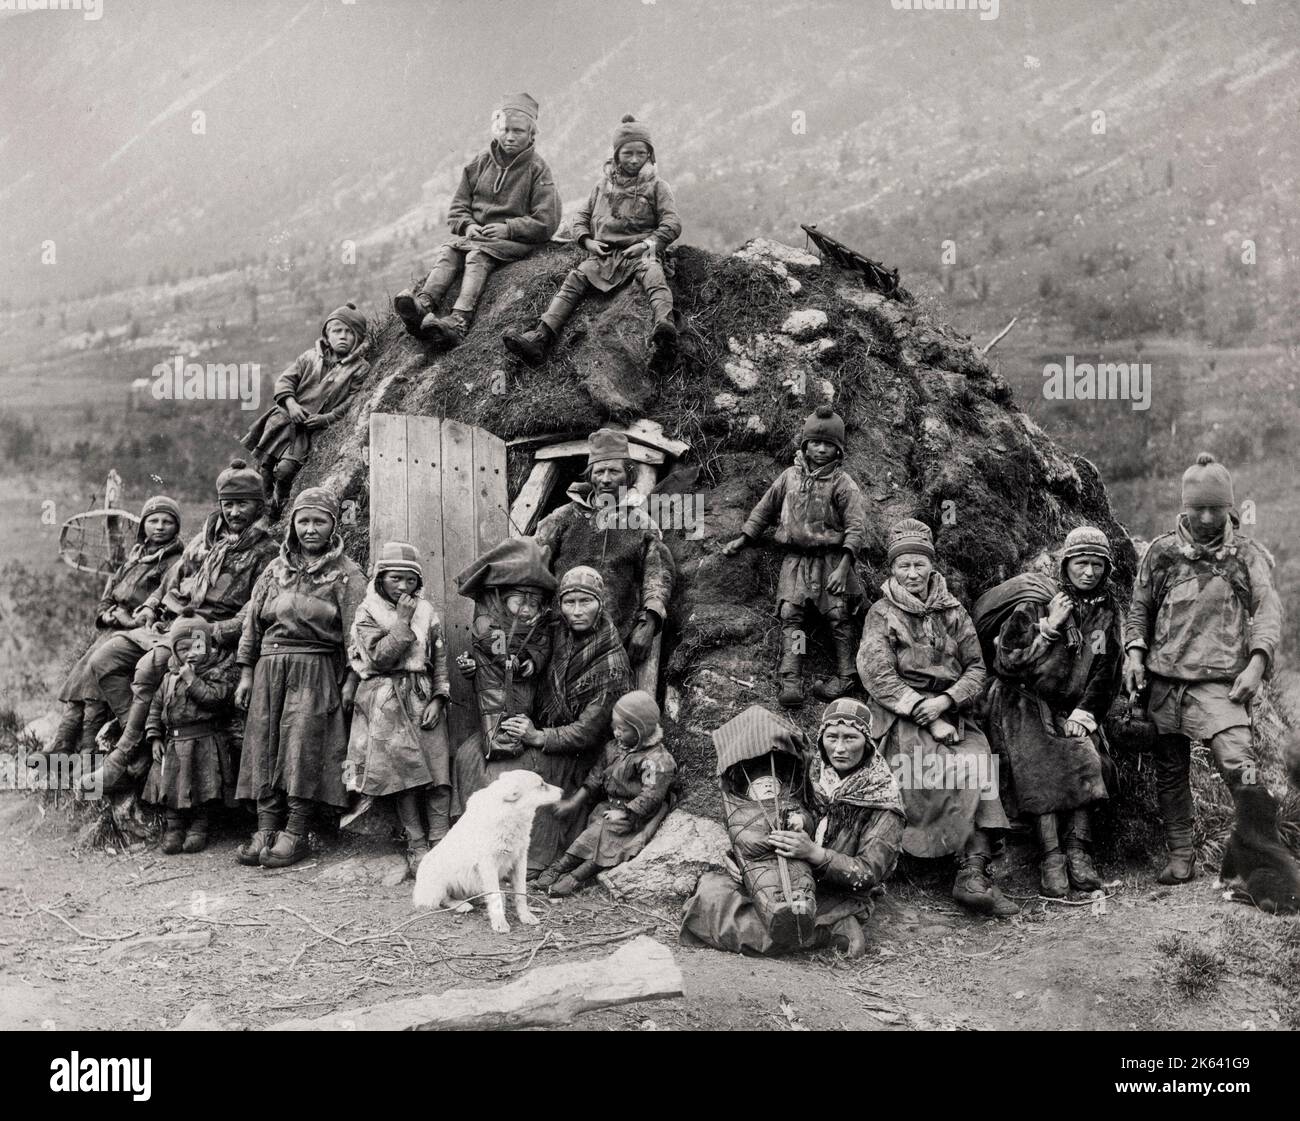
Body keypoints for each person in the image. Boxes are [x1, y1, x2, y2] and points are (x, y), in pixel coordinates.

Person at [1123, 453, 1283, 885]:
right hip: (1165, 681)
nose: (1208, 517)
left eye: (1217, 507)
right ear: (1185, 507)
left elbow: (1267, 611)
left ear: (1230, 506)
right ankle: (1181, 854)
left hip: (1220, 683)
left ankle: (1262, 853)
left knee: (1239, 763)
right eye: (1199, 508)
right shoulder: (1161, 553)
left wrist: (1257, 663)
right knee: (1170, 770)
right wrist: (1134, 653)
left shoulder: (1246, 555)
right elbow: (1139, 609)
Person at [81, 461, 277, 794]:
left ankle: (120, 758)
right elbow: (172, 581)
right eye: (227, 504)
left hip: (210, 632)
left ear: (258, 506)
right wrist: (150, 607)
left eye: (242, 503)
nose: (234, 512)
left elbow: (254, 608)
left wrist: (218, 631)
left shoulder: (265, 552)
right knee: (103, 660)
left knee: (147, 668)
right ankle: (141, 740)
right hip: (172, 620)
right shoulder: (203, 543)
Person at [856, 518, 1016, 917]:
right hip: (900, 713)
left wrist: (946, 701)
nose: (912, 573)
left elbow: (977, 668)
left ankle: (973, 872)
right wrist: (924, 713)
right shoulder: (881, 613)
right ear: (892, 569)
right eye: (903, 566)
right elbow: (877, 674)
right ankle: (904, 860)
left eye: (919, 565)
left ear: (932, 566)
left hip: (949, 708)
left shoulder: (953, 611)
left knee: (978, 759)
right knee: (923, 765)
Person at [680, 699, 905, 958]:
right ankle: (811, 931)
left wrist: (813, 854)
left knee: (777, 923)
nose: (839, 748)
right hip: (786, 873)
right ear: (822, 739)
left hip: (838, 893)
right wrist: (742, 859)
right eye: (832, 737)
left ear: (867, 742)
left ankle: (833, 933)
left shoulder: (883, 799)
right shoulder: (811, 775)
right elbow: (772, 822)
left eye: (851, 738)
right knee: (709, 892)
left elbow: (867, 874)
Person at [452, 565, 632, 873]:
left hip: (576, 754)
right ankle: (477, 849)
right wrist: (478, 667)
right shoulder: (555, 630)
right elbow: (510, 652)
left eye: (585, 602)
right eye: (569, 602)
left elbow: (589, 732)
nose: (576, 611)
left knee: (506, 773)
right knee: (470, 753)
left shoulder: (610, 662)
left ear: (601, 604)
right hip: (539, 726)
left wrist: (538, 737)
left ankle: (523, 858)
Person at [980, 526, 1122, 896]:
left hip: (1069, 708)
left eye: (1096, 565)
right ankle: (1051, 856)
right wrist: (1050, 629)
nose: (1088, 572)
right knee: (1037, 761)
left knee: (1086, 757)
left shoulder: (1105, 611)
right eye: (1081, 564)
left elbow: (1106, 668)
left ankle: (1079, 852)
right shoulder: (1037, 602)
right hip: (1019, 702)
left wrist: (1085, 714)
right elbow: (1007, 663)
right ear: (1066, 565)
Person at [234, 487, 365, 868]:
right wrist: (245, 674)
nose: (310, 529)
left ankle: (296, 831)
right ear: (292, 525)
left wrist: (352, 680)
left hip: (315, 668)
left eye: (319, 521)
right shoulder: (274, 570)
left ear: (333, 525)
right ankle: (266, 828)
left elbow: (357, 632)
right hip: (269, 668)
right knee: (264, 741)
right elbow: (251, 627)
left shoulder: (346, 574)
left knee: (301, 745)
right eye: (303, 521)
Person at [503, 114, 681, 366]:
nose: (633, 160)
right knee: (575, 279)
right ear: (616, 154)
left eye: (640, 153)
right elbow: (581, 218)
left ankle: (664, 328)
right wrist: (587, 241)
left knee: (654, 275)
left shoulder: (657, 187)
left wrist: (645, 245)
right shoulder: (602, 186)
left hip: (641, 253)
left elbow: (672, 224)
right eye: (627, 153)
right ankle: (540, 337)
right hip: (602, 256)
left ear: (649, 155)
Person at [722, 405, 867, 707]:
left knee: (838, 615)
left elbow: (855, 527)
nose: (822, 449)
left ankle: (846, 674)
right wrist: (744, 537)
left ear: (838, 450)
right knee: (791, 615)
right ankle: (791, 677)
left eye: (829, 445)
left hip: (830, 560)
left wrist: (843, 569)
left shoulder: (843, 484)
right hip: (796, 561)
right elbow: (765, 508)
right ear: (805, 445)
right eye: (816, 443)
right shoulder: (788, 477)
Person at [393, 93, 560, 349]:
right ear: (496, 130)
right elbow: (458, 206)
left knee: (476, 256)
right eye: (504, 129)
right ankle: (423, 305)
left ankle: (459, 319)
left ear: (531, 134)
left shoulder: (537, 169)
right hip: (477, 236)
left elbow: (546, 221)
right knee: (450, 250)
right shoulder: (481, 162)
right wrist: (468, 225)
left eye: (518, 131)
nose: (510, 136)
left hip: (513, 241)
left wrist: (508, 228)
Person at [346, 542, 453, 875]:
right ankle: (416, 843)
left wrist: (438, 698)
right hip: (385, 699)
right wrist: (402, 621)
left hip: (421, 695)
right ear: (380, 577)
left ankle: (442, 840)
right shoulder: (368, 612)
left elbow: (440, 659)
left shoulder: (427, 611)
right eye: (395, 579)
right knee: (401, 776)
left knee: (437, 769)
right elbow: (380, 657)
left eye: (409, 580)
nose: (403, 587)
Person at [50, 495, 183, 757]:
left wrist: (128, 618)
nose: (159, 526)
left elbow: (159, 601)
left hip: (135, 633)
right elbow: (107, 598)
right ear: (143, 524)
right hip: (113, 629)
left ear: (176, 527)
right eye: (153, 520)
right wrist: (110, 615)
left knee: (92, 683)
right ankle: (60, 747)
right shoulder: (135, 558)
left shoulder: (174, 563)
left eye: (167, 521)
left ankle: (88, 752)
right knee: (81, 685)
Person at [532, 428, 674, 664]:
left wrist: (650, 621)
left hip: (614, 638)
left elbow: (657, 577)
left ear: (628, 476)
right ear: (590, 476)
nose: (606, 479)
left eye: (614, 471)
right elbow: (533, 564)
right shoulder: (563, 517)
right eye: (600, 471)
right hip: (559, 636)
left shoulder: (641, 524)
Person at [538, 689, 676, 896]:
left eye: (623, 730)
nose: (617, 733)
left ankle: (574, 878)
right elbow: (596, 777)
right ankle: (559, 867)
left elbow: (652, 795)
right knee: (590, 835)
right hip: (609, 808)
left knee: (607, 842)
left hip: (635, 816)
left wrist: (626, 813)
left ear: (641, 731)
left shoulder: (656, 760)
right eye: (615, 727)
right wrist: (574, 802)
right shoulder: (613, 748)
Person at [241, 302, 371, 518]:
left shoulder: (359, 368)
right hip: (283, 420)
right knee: (264, 466)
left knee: (285, 471)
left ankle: (279, 507)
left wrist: (326, 418)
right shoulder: (309, 357)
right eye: (337, 331)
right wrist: (291, 404)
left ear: (358, 337)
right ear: (327, 334)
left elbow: (352, 400)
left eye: (350, 332)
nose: (343, 336)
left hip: (306, 430)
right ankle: (262, 511)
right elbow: (285, 382)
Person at [142, 613, 240, 855]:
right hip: (175, 742)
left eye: (197, 646)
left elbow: (215, 700)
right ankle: (174, 829)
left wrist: (192, 680)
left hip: (204, 742)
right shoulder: (168, 678)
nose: (190, 654)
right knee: (172, 788)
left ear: (207, 646)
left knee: (203, 789)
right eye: (183, 649)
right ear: (175, 652)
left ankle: (198, 829)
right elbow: (155, 707)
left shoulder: (215, 673)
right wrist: (154, 736)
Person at [453, 537, 556, 758]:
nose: (527, 610)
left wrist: (533, 660)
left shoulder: (536, 624)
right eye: (520, 602)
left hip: (525, 687)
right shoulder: (488, 620)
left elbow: (543, 643)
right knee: (498, 718)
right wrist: (508, 657)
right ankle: (499, 743)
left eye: (533, 604)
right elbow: (492, 640)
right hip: (494, 685)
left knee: (521, 716)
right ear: (504, 600)